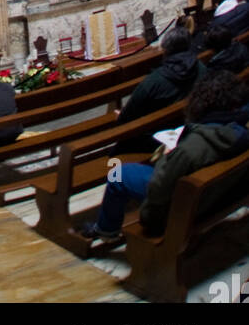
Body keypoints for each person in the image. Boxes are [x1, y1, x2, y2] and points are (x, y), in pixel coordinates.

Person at [82, 71, 249, 241]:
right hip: (220, 197)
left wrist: (167, 157)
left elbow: (159, 190)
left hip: (183, 210)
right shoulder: (239, 129)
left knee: (118, 174)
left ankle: (106, 230)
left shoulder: (191, 149)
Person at [116, 27, 205, 143]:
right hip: (192, 125)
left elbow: (126, 118)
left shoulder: (154, 81)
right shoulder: (201, 68)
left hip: (157, 137)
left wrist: (121, 116)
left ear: (166, 51)